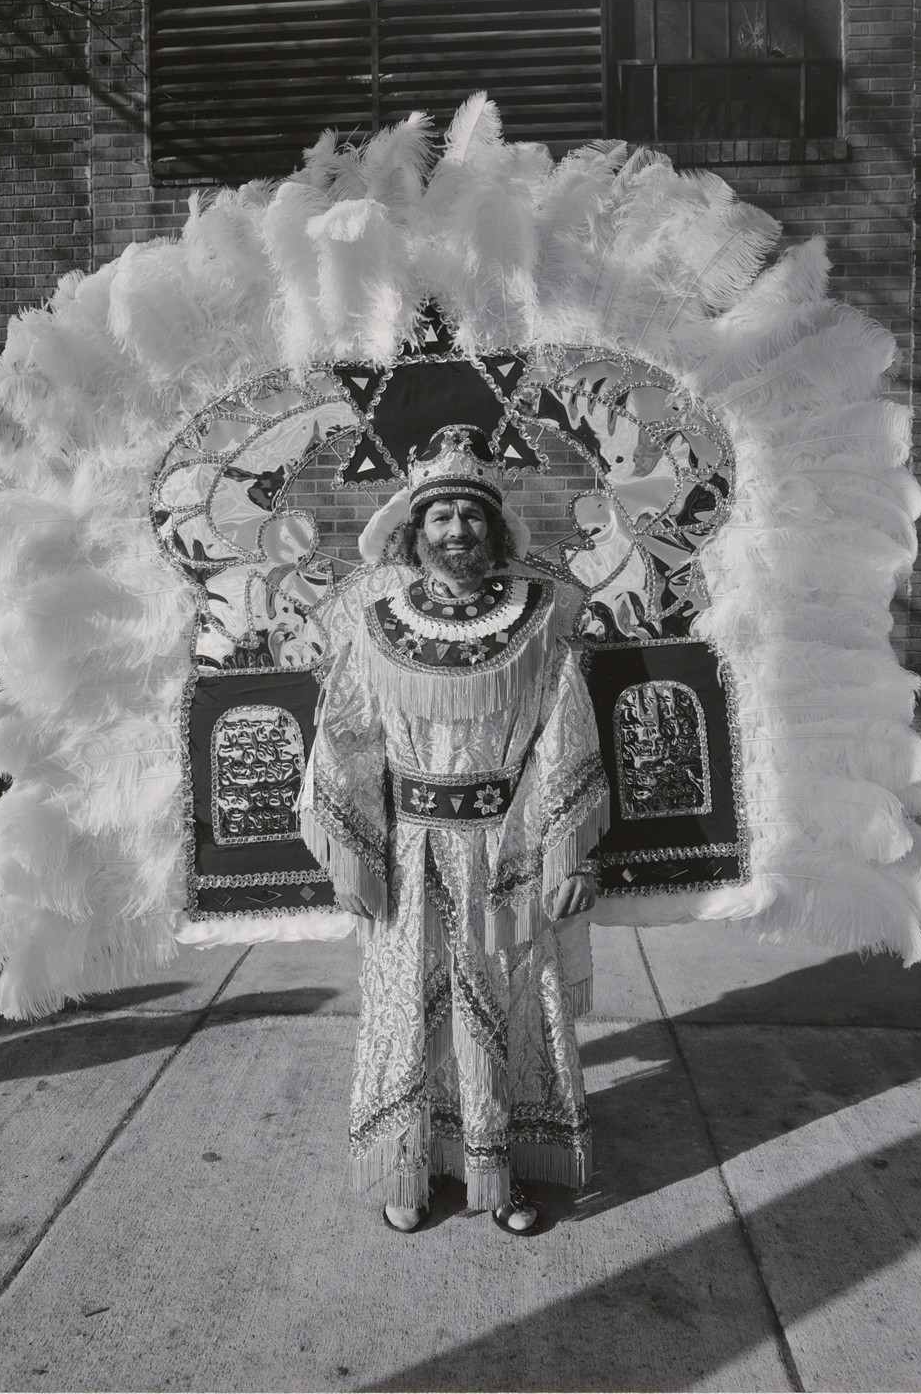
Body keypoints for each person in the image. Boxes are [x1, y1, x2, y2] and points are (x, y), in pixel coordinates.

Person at [300, 424, 608, 1234]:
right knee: (409, 1008)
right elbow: (346, 739)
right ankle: (410, 1166)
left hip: (503, 847)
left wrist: (562, 846)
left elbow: (562, 737)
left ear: (494, 529)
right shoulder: (372, 622)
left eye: (471, 518)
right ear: (415, 530)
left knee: (504, 1003)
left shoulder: (540, 618)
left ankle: (496, 1167)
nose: (457, 533)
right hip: (408, 851)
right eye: (440, 518)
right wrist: (351, 853)